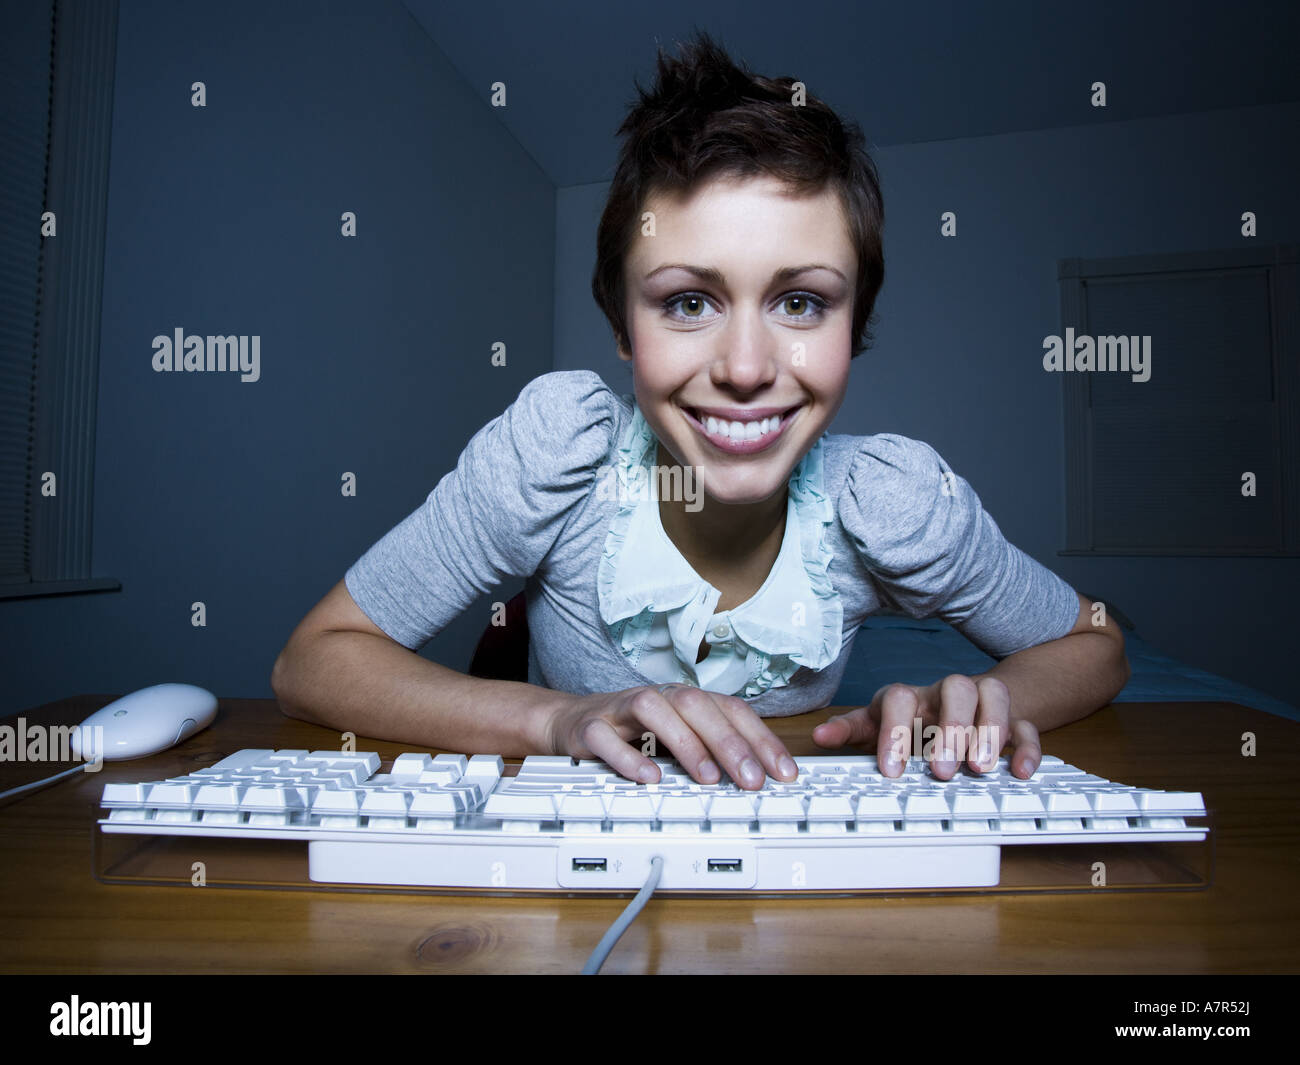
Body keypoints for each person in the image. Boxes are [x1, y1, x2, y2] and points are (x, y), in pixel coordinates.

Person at [272, 31, 1129, 791]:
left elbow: (1098, 641)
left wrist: (987, 699)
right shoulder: (554, 458)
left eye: (800, 303)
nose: (747, 369)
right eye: (688, 303)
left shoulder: (894, 504)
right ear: (621, 325)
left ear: (854, 324)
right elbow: (312, 660)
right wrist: (553, 720)